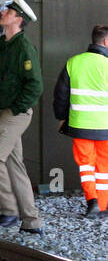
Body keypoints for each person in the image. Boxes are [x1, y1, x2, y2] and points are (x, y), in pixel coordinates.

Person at [0, 0, 44, 235]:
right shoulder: (4, 44)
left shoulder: (24, 47)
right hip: (2, 110)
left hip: (14, 113)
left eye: (8, 12)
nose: (3, 13)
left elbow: (35, 85)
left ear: (18, 20)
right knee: (15, 166)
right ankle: (31, 222)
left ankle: (9, 210)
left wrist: (16, 108)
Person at [52, 24, 108, 218]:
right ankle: (103, 204)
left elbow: (60, 95)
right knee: (104, 166)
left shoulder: (73, 62)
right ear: (106, 42)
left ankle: (92, 201)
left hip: (80, 125)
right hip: (105, 126)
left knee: (86, 164)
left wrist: (61, 118)